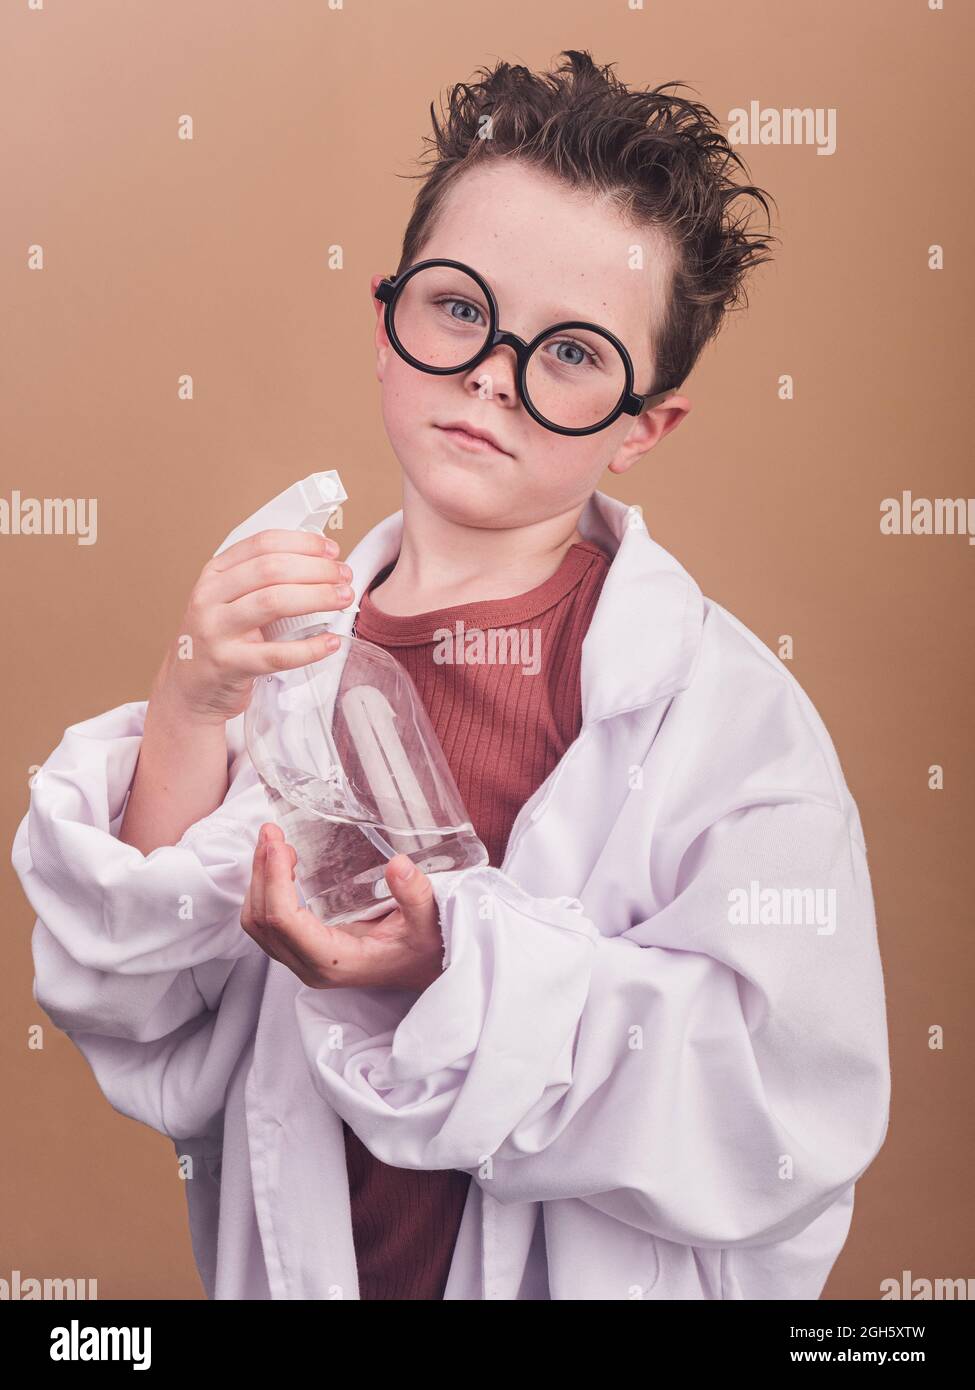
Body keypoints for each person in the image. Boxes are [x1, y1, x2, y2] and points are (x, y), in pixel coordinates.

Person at [11, 51, 890, 1301]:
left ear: (645, 426)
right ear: (387, 320)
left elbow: (785, 1100)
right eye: (461, 310)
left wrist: (456, 973)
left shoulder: (724, 719)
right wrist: (190, 702)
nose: (492, 376)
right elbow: (144, 997)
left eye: (573, 353)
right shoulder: (287, 656)